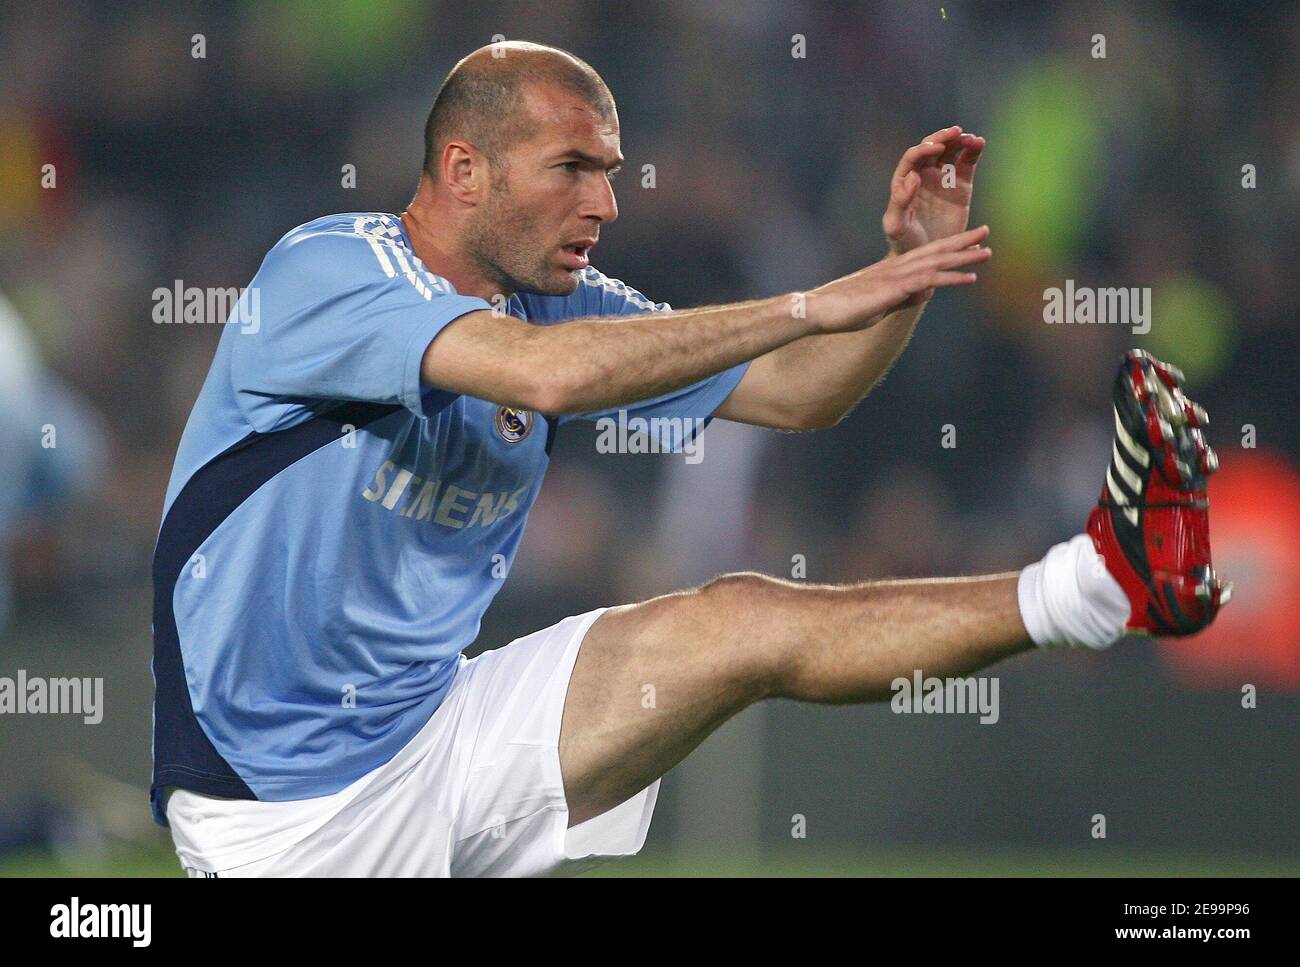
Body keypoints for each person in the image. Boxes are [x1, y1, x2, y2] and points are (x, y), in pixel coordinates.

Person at [153, 41, 1227, 877]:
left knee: (742, 620)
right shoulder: (331, 269)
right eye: (571, 168)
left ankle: (1102, 581)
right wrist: (806, 300)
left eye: (610, 173)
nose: (606, 204)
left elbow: (803, 393)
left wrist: (906, 271)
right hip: (275, 809)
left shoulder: (562, 303)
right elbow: (547, 376)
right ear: (463, 168)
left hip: (441, 727)